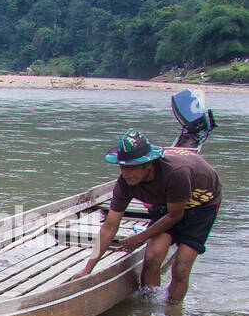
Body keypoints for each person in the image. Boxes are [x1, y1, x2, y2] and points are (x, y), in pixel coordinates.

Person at [71, 129, 221, 303]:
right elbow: (110, 226)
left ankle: (172, 310)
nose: (126, 173)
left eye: (132, 168)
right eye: (123, 167)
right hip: (166, 205)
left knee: (181, 268)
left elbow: (175, 216)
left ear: (148, 164)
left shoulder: (176, 173)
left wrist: (140, 238)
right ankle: (149, 313)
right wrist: (88, 269)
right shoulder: (124, 184)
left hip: (201, 205)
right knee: (151, 258)